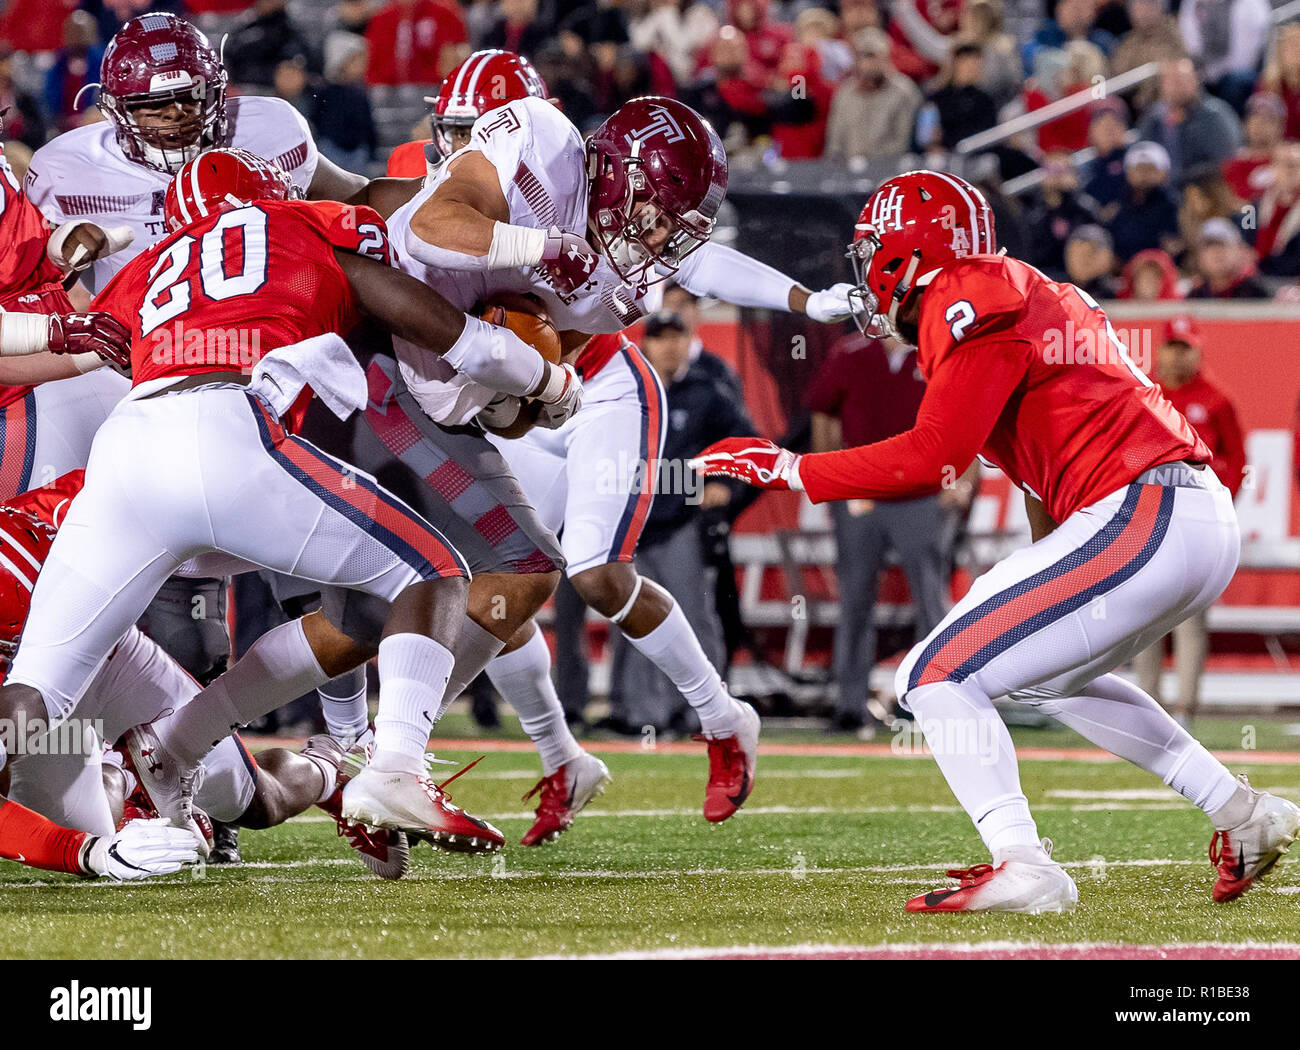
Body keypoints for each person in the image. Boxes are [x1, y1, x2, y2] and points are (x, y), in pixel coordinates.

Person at [692, 169, 1300, 912]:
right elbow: (1036, 476)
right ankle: (1240, 812)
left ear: (909, 254)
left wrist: (788, 467)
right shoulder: (1015, 293)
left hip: (1146, 510)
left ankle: (1023, 862)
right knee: (1043, 675)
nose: (868, 270)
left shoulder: (967, 293)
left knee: (930, 673)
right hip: (1170, 518)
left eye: (877, 251)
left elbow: (931, 458)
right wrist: (1049, 566)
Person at [0, 147, 582, 860]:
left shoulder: (145, 270)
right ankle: (390, 766)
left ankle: (174, 756)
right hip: (228, 426)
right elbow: (423, 318)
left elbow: (101, 349)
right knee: (431, 569)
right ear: (268, 194)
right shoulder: (300, 222)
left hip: (126, 450)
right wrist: (534, 375)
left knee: (32, 695)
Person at [0, 471, 409, 878]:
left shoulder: (56, 511)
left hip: (109, 659)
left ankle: (330, 770)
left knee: (258, 802)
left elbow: (149, 483)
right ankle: (123, 778)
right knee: (99, 841)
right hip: (34, 715)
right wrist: (89, 853)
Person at [805, 331, 962, 733]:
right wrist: (830, 471)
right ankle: (850, 704)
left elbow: (966, 413)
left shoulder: (936, 348)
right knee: (855, 599)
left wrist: (962, 477)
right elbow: (823, 410)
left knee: (931, 601)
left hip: (921, 492)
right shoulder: (851, 350)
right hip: (862, 492)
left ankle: (940, 701)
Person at [606, 309, 754, 735]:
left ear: (690, 340)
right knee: (631, 621)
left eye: (678, 336)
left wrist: (725, 483)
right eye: (660, 337)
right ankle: (639, 715)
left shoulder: (708, 393)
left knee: (693, 617)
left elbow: (746, 444)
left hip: (682, 523)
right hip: (628, 524)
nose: (669, 345)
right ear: (645, 343)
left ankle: (703, 713)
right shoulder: (625, 392)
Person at [1132, 317, 1245, 724]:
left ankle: (1185, 707)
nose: (1179, 356)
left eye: (1186, 347)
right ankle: (1149, 702)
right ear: (1161, 349)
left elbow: (1236, 459)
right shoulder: (1141, 392)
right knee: (1145, 610)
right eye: (1173, 347)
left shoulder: (1215, 399)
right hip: (1148, 515)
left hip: (1195, 522)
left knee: (1190, 615)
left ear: (1197, 350)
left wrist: (1218, 504)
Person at [1134, 58, 1242, 185]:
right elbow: (1140, 151)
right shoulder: (1154, 117)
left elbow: (1224, 160)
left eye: (1182, 80)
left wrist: (1186, 180)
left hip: (1202, 190)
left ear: (1195, 81)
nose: (1177, 87)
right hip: (1160, 193)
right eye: (1171, 81)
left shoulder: (1215, 115)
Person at [824, 28, 922, 162]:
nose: (868, 64)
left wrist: (870, 162)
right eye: (863, 56)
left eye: (873, 56)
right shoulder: (844, 94)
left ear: (885, 58)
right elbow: (835, 144)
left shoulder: (904, 91)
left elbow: (904, 143)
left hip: (890, 169)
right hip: (849, 172)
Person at [1110, 140, 1180, 262]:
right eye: (1138, 169)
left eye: (1150, 169)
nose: (1144, 174)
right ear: (1128, 173)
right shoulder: (1116, 209)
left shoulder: (1175, 208)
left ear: (1164, 173)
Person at [1248, 139, 1300, 277]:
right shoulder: (1255, 206)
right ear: (1273, 166)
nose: (1290, 170)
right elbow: (1245, 235)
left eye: (1295, 164)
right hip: (1256, 278)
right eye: (1284, 163)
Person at [1186, 216, 1268, 298]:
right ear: (1199, 256)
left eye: (1223, 244)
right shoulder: (1195, 296)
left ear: (1239, 251)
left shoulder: (1257, 293)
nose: (1216, 251)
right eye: (1209, 245)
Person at [1064, 223, 1120, 299]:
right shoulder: (1055, 288)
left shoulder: (1118, 293)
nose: (1083, 260)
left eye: (1092, 252)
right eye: (1076, 253)